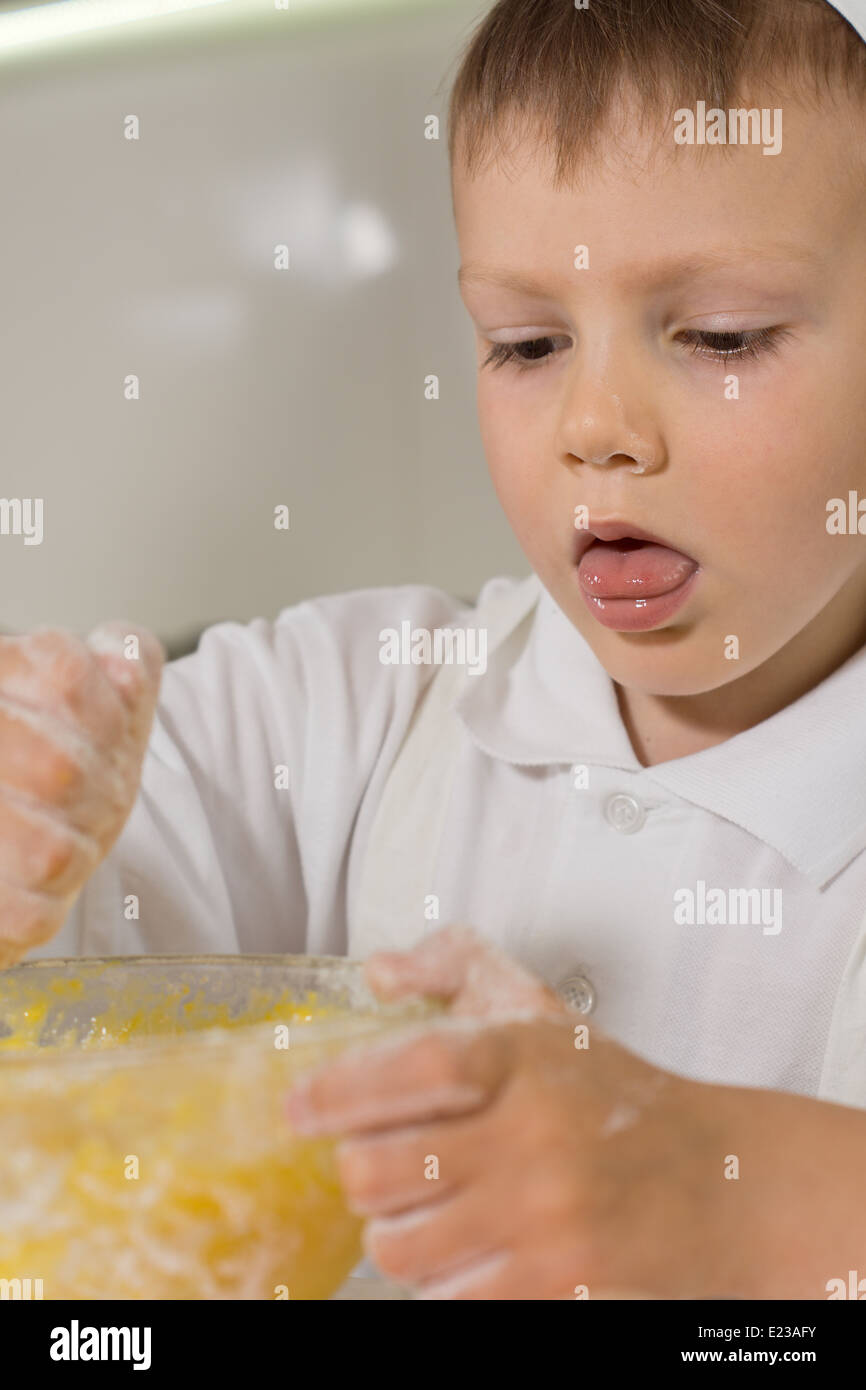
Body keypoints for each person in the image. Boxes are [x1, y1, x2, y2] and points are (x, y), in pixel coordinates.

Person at [2, 0, 866, 1298]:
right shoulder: (362, 708)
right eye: (525, 343)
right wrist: (35, 814)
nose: (595, 425)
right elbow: (106, 910)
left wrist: (727, 1193)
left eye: (721, 335)